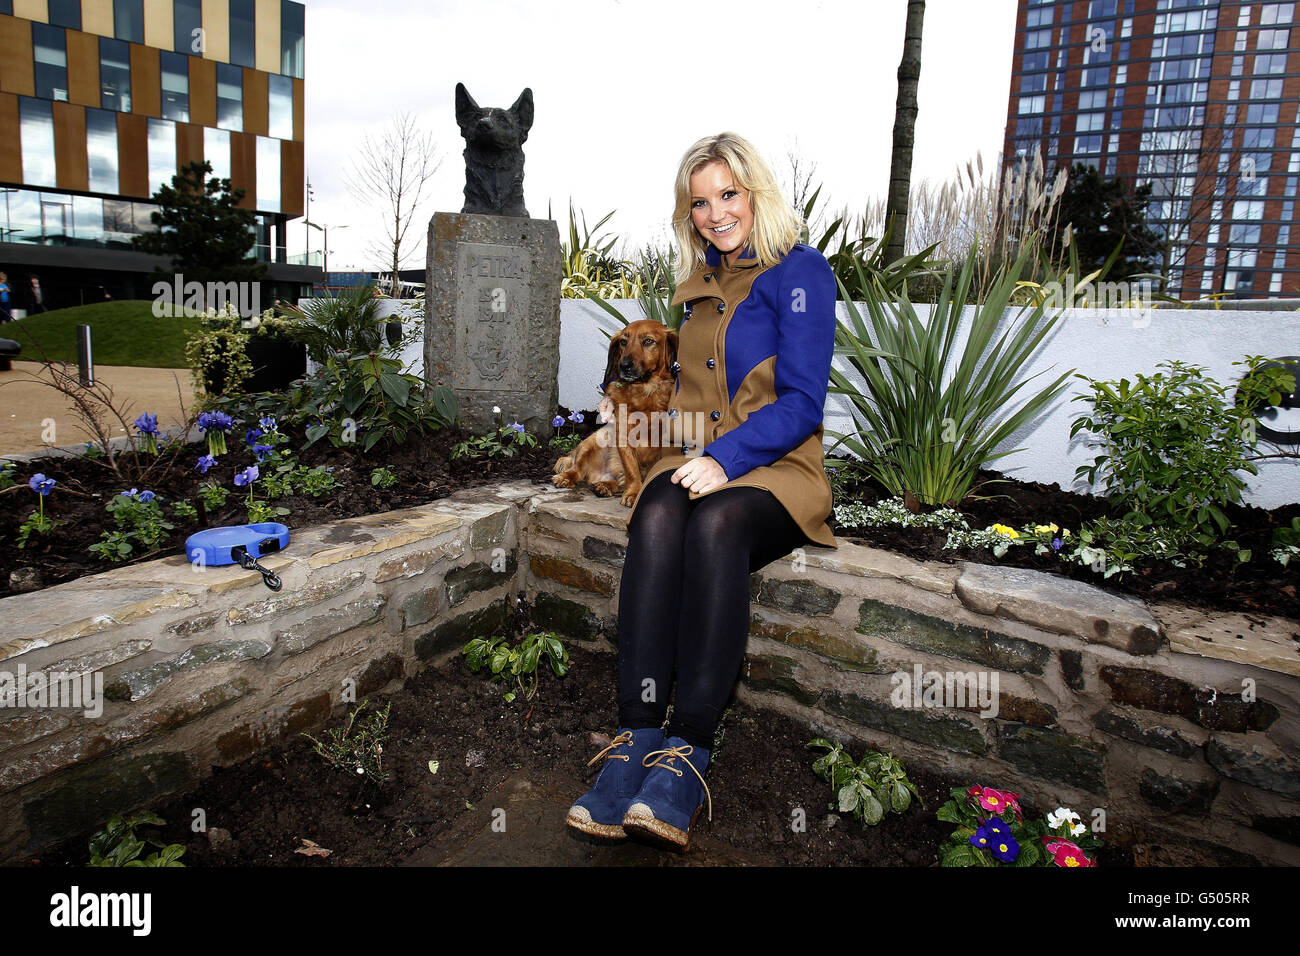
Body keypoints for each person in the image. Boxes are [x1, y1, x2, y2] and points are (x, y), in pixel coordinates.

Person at [566, 132, 839, 850]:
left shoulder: (802, 273)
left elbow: (803, 402)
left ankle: (689, 752)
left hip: (778, 467)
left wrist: (723, 457)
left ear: (755, 193)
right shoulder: (696, 291)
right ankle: (637, 735)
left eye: (727, 194)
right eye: (699, 202)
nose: (715, 213)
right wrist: (633, 421)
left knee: (714, 525)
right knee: (656, 509)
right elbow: (693, 398)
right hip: (702, 458)